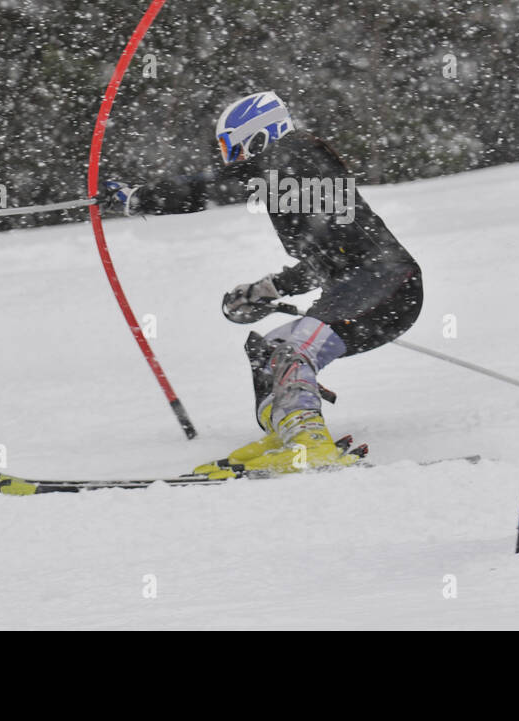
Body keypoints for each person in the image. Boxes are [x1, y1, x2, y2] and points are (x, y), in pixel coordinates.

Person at [99, 91, 422, 477]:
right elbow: (327, 257)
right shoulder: (286, 182)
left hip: (386, 281)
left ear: (257, 136)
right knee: (271, 348)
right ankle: (287, 429)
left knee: (296, 349)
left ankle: (310, 443)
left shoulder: (297, 150)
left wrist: (141, 198)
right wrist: (267, 289)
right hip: (358, 287)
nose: (229, 158)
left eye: (230, 147)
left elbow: (209, 186)